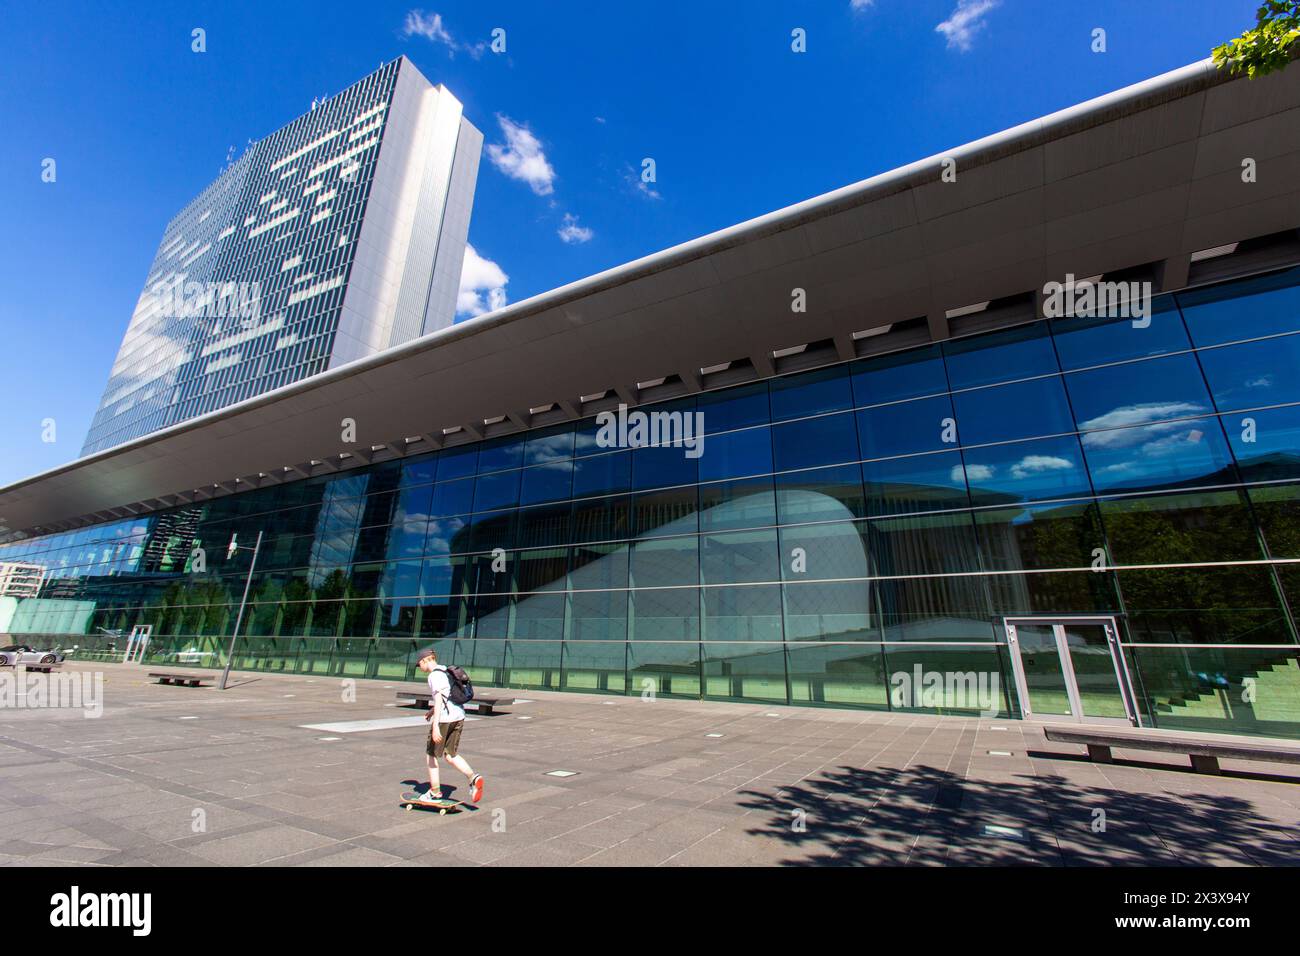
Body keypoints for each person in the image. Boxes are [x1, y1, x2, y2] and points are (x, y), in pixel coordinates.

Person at [415, 650, 484, 803]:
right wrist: (432, 711)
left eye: (419, 663)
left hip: (445, 719)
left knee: (431, 756)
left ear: (426, 660)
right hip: (459, 715)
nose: (419, 667)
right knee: (450, 755)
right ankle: (473, 778)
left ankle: (435, 793)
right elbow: (449, 694)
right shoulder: (445, 669)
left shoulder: (433, 675)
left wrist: (435, 726)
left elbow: (439, 699)